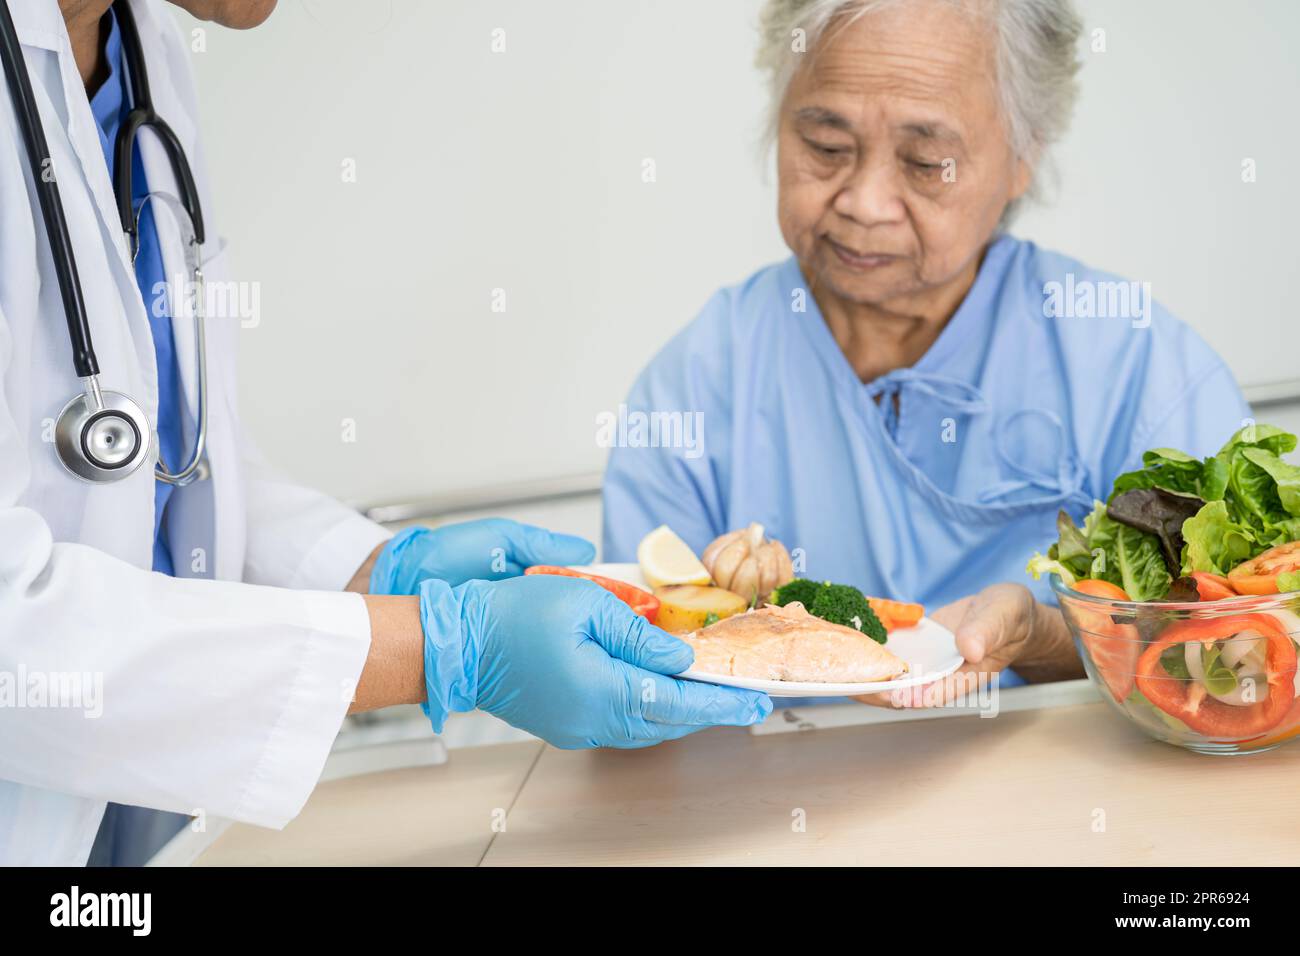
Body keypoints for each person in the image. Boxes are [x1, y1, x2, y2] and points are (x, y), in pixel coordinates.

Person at [0, 0, 770, 867]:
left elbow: (157, 459)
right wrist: (442, 647)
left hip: (120, 802)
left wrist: (372, 571)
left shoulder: (145, 50)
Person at [601, 0, 1251, 701]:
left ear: (1022, 159)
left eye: (926, 162)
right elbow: (633, 680)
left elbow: (1241, 650)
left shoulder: (1134, 366)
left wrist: (1044, 637)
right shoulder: (695, 386)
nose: (866, 202)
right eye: (825, 145)